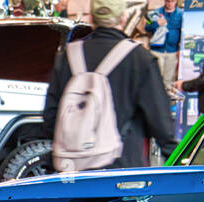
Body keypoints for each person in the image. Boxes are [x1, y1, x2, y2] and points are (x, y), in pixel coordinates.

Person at [42, 0, 176, 169]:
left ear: (91, 18)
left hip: (74, 169)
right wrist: (175, 157)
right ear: (124, 18)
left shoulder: (67, 56)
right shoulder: (140, 58)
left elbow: (50, 116)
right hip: (123, 168)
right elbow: (160, 122)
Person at [147, 0, 183, 92]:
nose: (170, 3)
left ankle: (167, 101)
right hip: (157, 51)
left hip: (172, 51)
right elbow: (146, 27)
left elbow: (183, 32)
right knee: (155, 78)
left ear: (176, 1)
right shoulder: (155, 12)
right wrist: (156, 24)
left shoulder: (181, 14)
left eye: (172, 1)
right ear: (164, 1)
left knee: (168, 80)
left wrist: (181, 49)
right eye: (168, 1)